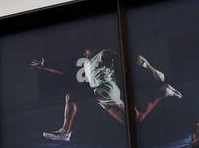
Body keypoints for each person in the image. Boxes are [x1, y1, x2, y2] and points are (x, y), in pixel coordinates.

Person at [31, 49, 181, 141]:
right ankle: (163, 93)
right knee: (134, 121)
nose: (84, 53)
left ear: (93, 48)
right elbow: (63, 69)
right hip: (97, 92)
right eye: (84, 52)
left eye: (86, 51)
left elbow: (135, 58)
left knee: (71, 96)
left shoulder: (104, 54)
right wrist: (45, 66)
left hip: (107, 88)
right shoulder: (85, 63)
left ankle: (65, 131)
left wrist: (152, 70)